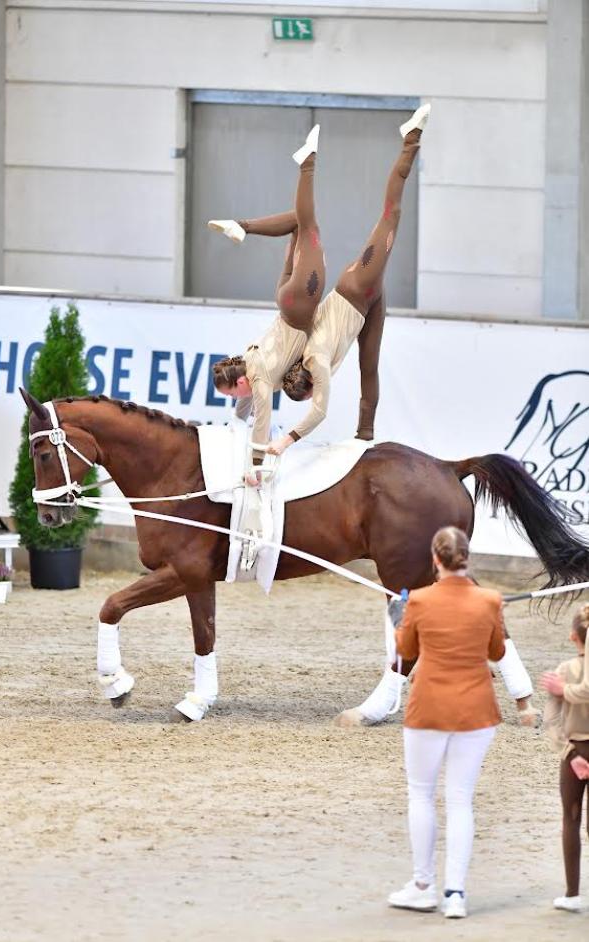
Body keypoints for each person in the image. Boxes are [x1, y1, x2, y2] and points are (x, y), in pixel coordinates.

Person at [211, 104, 430, 462]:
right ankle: (365, 433)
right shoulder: (262, 367)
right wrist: (236, 423)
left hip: (351, 291)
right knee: (369, 365)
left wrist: (276, 448)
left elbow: (308, 411)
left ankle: (400, 142)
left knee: (384, 215)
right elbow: (247, 399)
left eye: (310, 392)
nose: (315, 394)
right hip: (359, 302)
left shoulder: (311, 361)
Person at [387, 526, 506, 919]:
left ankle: (423, 885)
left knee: (421, 794)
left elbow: (405, 652)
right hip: (476, 709)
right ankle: (455, 893)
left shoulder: (420, 600)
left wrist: (399, 619)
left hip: (430, 708)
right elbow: (496, 651)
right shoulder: (490, 599)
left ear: (435, 559)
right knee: (460, 799)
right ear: (465, 557)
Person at [210, 122, 325, 483]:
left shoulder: (257, 382)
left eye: (233, 394)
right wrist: (234, 423)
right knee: (298, 223)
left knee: (308, 223)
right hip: (285, 297)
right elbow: (244, 407)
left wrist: (255, 468)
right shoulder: (246, 363)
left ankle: (307, 162)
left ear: (241, 382)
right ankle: (241, 225)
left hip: (298, 306)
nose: (237, 399)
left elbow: (262, 424)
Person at [541, 604, 589, 912]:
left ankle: (572, 894)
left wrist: (568, 753)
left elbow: (551, 720)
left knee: (571, 820)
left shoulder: (564, 670)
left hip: (575, 752)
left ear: (573, 637)